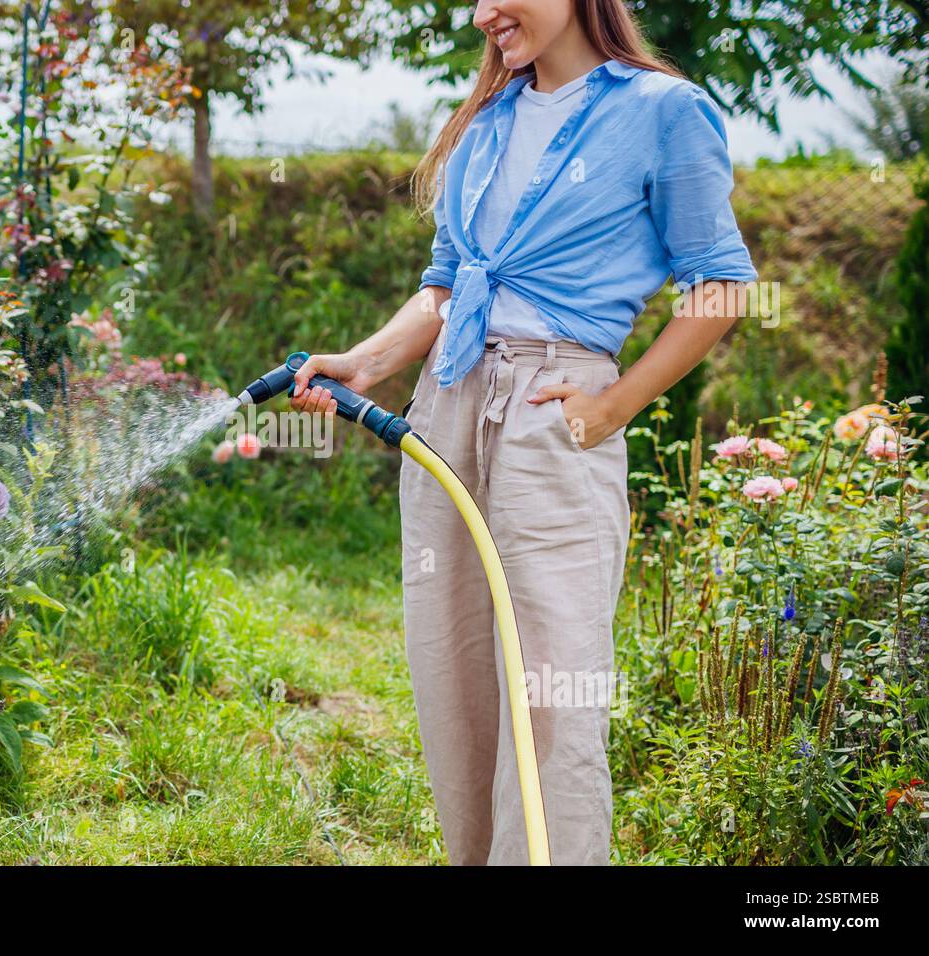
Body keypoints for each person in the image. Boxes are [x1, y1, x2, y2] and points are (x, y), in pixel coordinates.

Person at [289, 0, 756, 865]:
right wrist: (367, 361)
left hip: (553, 414)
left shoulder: (661, 111)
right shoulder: (485, 120)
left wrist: (611, 405)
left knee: (553, 690)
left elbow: (721, 285)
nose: (481, 14)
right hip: (448, 405)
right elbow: (447, 283)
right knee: (455, 675)